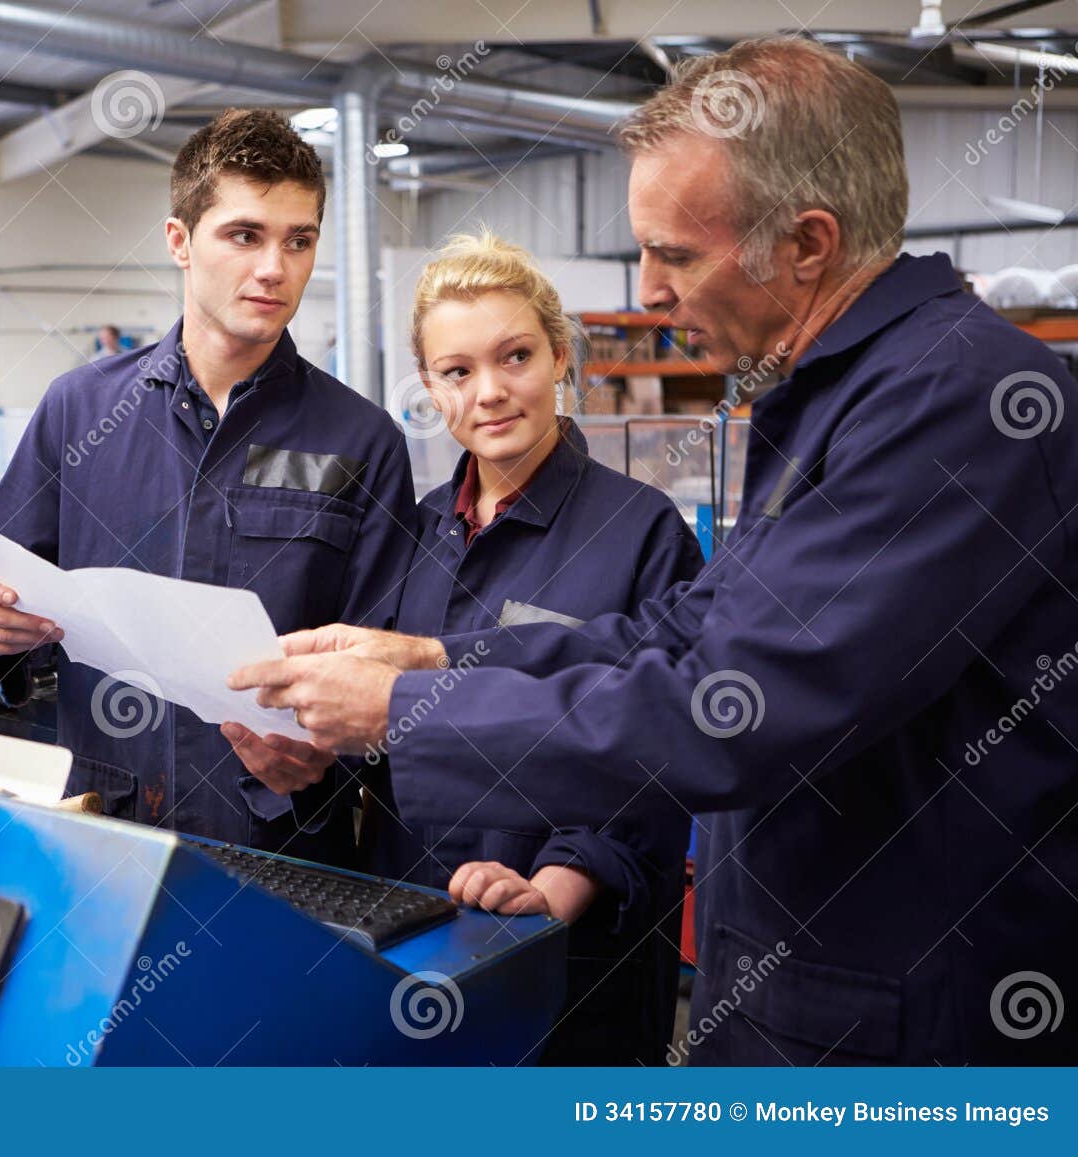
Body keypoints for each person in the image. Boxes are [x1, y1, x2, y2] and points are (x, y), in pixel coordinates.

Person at [230, 38, 1078, 1064]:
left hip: (904, 1030)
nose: (648, 290)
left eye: (673, 254)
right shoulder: (825, 399)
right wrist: (437, 659)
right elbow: (682, 631)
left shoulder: (951, 401)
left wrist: (404, 711)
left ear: (806, 243)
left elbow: (735, 702)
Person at [0, 109, 416, 867]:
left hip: (282, 848)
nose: (275, 267)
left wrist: (327, 763)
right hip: (104, 832)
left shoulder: (363, 443)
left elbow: (386, 670)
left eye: (298, 240)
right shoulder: (78, 411)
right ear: (180, 241)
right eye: (245, 235)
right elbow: (3, 592)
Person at [371, 229, 704, 1064]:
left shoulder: (641, 533)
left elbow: (667, 749)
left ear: (560, 357)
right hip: (411, 945)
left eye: (514, 356)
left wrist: (559, 883)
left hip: (569, 965)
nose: (489, 391)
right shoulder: (416, 536)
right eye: (457, 371)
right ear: (431, 390)